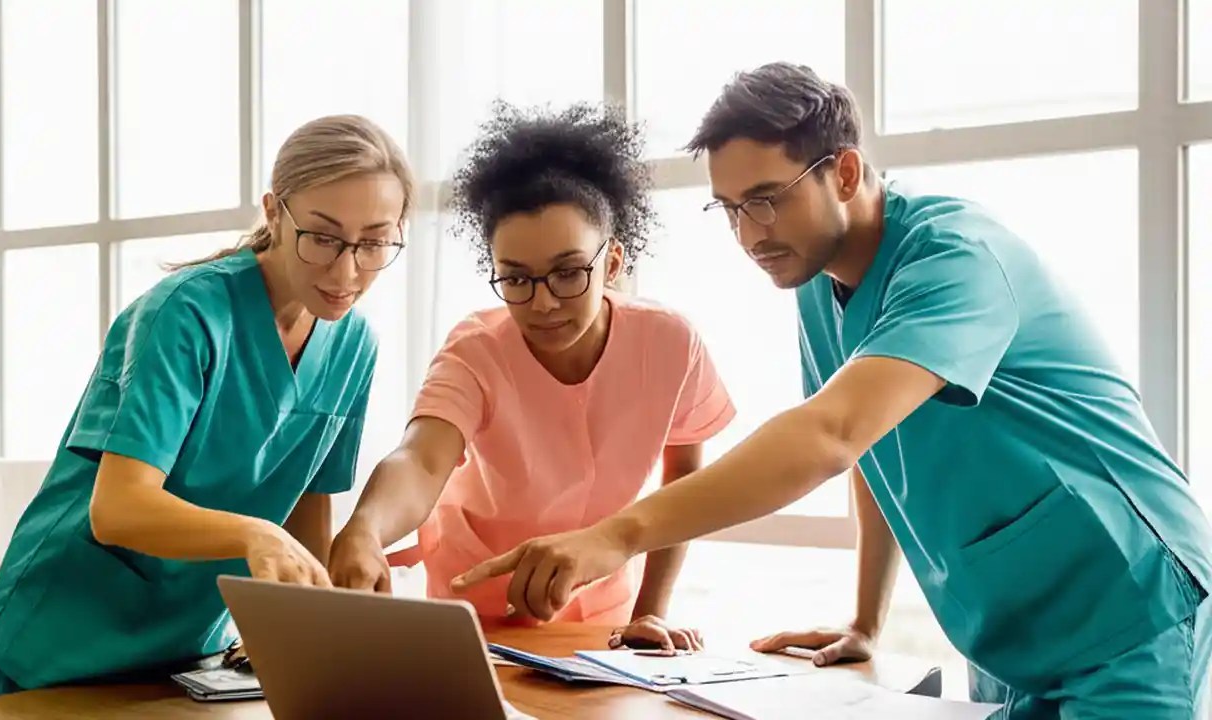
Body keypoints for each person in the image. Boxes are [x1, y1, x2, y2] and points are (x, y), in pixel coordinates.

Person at [453, 64, 1212, 718]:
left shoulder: (957, 260)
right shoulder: (818, 284)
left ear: (844, 173)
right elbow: (872, 451)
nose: (749, 234)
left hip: (1127, 605)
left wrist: (616, 535)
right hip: (1013, 632)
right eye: (730, 209)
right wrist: (865, 621)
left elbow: (831, 434)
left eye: (766, 198)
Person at [0, 115, 413, 700]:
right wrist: (256, 536)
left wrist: (312, 622)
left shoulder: (354, 345)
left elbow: (306, 503)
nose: (347, 271)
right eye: (323, 237)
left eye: (373, 243)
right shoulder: (184, 315)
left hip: (188, 659)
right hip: (56, 641)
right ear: (274, 213)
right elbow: (117, 509)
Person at [327, 102, 735, 652]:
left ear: (613, 263)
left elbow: (682, 485)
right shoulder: (475, 350)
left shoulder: (670, 343)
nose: (542, 303)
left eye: (568, 273)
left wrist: (650, 613)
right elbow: (421, 460)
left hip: (604, 613)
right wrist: (366, 527)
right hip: (478, 611)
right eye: (516, 279)